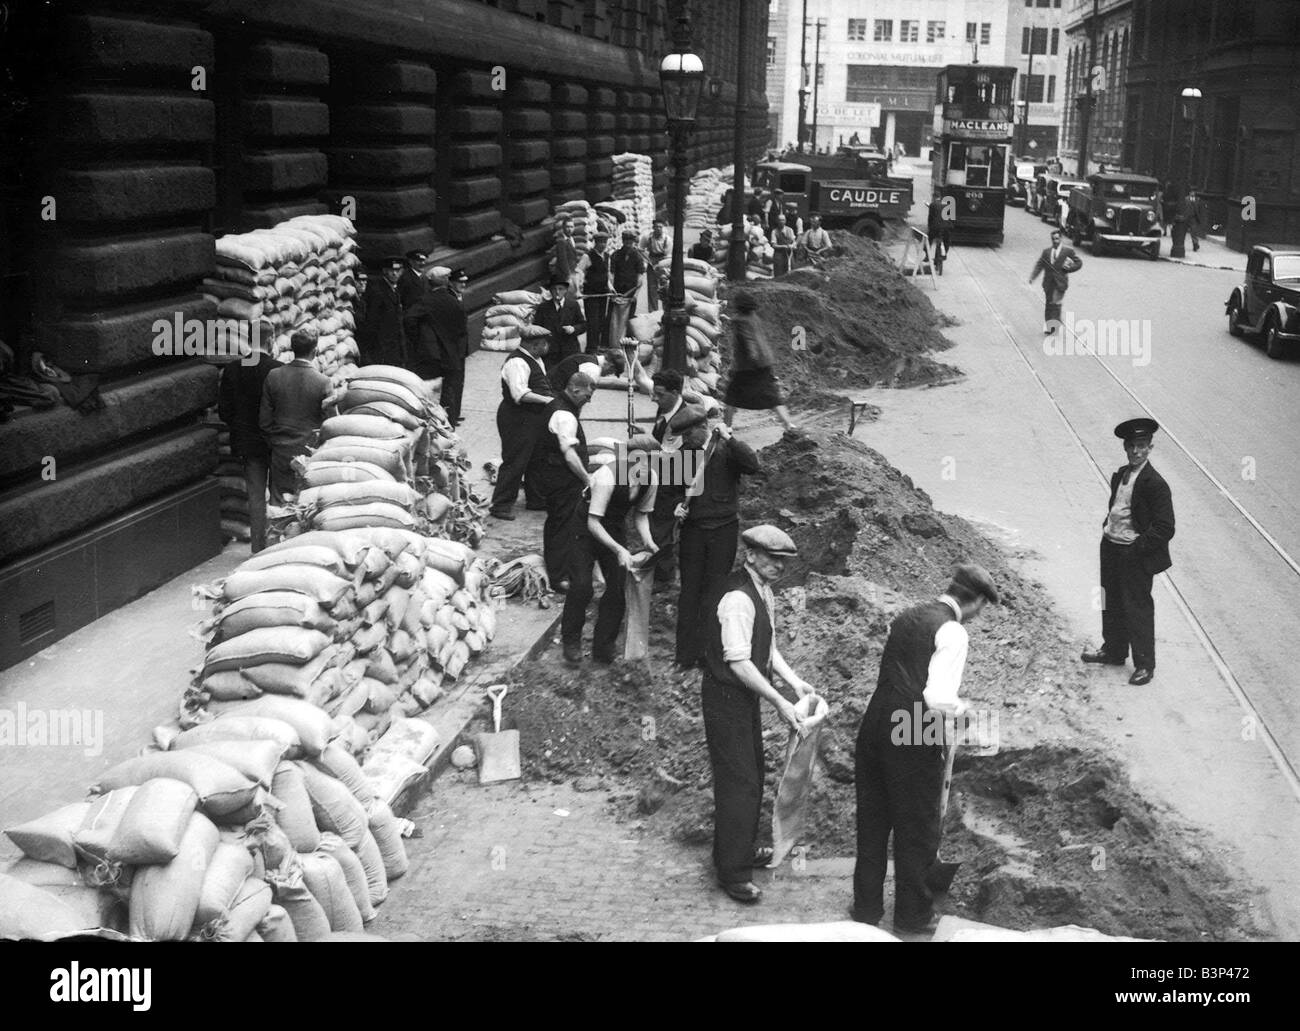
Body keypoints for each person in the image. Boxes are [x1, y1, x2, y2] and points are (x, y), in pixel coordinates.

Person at [852, 564, 999, 934]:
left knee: (873, 819)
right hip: (916, 726)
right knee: (916, 824)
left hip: (876, 720)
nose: (981, 613)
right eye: (983, 606)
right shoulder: (954, 631)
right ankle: (912, 916)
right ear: (977, 600)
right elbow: (936, 698)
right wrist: (964, 711)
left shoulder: (908, 615)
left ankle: (866, 909)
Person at [702, 524, 814, 904]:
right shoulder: (737, 598)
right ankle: (732, 872)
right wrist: (779, 702)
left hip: (743, 698)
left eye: (783, 562)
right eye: (772, 559)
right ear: (750, 555)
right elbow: (738, 661)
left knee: (753, 776)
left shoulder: (762, 592)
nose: (779, 568)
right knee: (739, 783)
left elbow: (766, 649)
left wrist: (794, 682)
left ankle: (738, 849)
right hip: (725, 697)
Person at [1081, 418, 1175, 686]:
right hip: (1110, 548)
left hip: (1133, 554)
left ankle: (1145, 665)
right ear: (1125, 447)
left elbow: (1166, 527)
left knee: (1137, 608)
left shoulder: (1155, 484)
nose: (1136, 452)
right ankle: (1113, 650)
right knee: (1109, 600)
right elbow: (1119, 507)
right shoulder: (1121, 474)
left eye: (1142, 446)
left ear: (1150, 448)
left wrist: (1137, 548)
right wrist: (1107, 528)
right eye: (1132, 446)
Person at [561, 437, 661, 665]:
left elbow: (641, 514)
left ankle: (604, 648)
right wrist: (618, 550)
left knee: (617, 588)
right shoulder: (609, 475)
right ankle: (571, 641)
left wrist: (649, 542)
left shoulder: (651, 478)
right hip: (586, 525)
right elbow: (593, 523)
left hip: (614, 526)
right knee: (582, 585)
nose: (647, 469)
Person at [674, 421, 761, 669]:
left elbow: (753, 465)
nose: (685, 439)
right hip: (694, 531)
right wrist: (677, 507)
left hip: (723, 530)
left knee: (715, 591)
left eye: (688, 433)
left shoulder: (726, 451)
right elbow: (674, 489)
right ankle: (684, 656)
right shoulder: (686, 453)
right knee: (689, 592)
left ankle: (709, 655)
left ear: (702, 429)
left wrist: (730, 439)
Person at [528, 371, 597, 590]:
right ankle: (559, 577)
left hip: (553, 475)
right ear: (575, 389)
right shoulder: (565, 415)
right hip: (562, 479)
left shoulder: (557, 405)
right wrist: (587, 479)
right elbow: (569, 454)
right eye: (586, 396)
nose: (588, 401)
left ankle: (563, 569)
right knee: (562, 525)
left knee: (561, 523)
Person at [217, 323, 277, 551]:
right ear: (270, 341)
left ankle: (258, 548)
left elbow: (225, 411)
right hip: (275, 442)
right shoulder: (277, 368)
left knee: (256, 496)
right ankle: (279, 547)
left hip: (248, 444)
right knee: (280, 496)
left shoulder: (232, 370)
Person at [258, 329, 333, 503]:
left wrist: (275, 442)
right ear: (314, 352)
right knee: (306, 502)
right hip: (309, 453)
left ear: (292, 349)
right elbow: (330, 424)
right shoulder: (323, 383)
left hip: (280, 452)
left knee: (279, 503)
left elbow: (264, 421)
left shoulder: (274, 376)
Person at [489, 326, 553, 521]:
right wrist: (548, 401)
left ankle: (536, 499)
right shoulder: (517, 362)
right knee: (515, 460)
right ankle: (501, 505)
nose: (547, 346)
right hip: (516, 417)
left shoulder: (535, 359)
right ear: (535, 345)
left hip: (532, 417)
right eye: (544, 343)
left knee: (536, 458)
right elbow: (520, 394)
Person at [722, 290, 798, 434]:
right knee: (773, 396)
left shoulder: (740, 321)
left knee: (731, 396)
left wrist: (752, 358)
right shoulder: (754, 317)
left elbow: (749, 341)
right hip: (765, 363)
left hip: (749, 366)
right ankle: (789, 425)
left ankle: (726, 428)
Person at [419, 267, 470, 425]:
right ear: (450, 283)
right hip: (452, 347)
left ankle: (455, 413)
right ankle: (450, 415)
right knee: (451, 383)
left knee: (457, 382)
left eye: (464, 282)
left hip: (458, 347)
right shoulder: (448, 298)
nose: (463, 285)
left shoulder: (455, 297)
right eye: (459, 282)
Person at [356, 256, 408, 367]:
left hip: (393, 348)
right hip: (382, 349)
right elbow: (372, 322)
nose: (394, 274)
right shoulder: (378, 291)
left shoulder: (394, 289)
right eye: (391, 270)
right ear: (384, 271)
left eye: (397, 270)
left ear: (402, 271)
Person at [1028, 229, 1082, 334]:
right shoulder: (1046, 252)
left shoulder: (1068, 251)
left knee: (1055, 303)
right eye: (1053, 239)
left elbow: (1079, 263)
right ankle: (1050, 326)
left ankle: (1054, 325)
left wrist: (1069, 269)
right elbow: (1039, 265)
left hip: (1060, 283)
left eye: (1057, 238)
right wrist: (1032, 277)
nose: (1055, 241)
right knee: (1049, 305)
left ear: (1061, 238)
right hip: (1048, 283)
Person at [532, 275, 587, 372]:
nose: (557, 292)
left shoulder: (573, 305)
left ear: (565, 290)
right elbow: (536, 329)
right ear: (550, 291)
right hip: (550, 352)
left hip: (569, 351)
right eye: (554, 289)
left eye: (560, 289)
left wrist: (573, 329)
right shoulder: (543, 308)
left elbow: (583, 325)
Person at [609, 229, 644, 345]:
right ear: (623, 241)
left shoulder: (638, 257)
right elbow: (612, 274)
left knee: (629, 318)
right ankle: (612, 342)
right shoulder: (616, 255)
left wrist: (636, 295)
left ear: (634, 242)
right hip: (617, 290)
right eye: (626, 241)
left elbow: (640, 278)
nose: (628, 244)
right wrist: (611, 290)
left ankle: (627, 342)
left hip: (631, 291)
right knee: (613, 318)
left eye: (631, 241)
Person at [584, 232, 612, 356]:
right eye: (601, 242)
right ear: (596, 242)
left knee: (601, 320)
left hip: (603, 293)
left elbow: (607, 275)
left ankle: (598, 345)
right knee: (593, 321)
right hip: (591, 294)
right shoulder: (588, 256)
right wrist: (580, 285)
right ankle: (591, 348)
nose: (603, 245)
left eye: (605, 242)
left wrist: (610, 288)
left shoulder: (607, 256)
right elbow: (579, 271)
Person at [642, 220, 671, 310]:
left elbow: (668, 256)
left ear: (663, 228)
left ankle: (666, 309)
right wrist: (647, 260)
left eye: (660, 227)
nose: (658, 229)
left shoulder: (667, 239)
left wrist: (661, 267)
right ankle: (653, 311)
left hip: (663, 262)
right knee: (652, 288)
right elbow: (640, 249)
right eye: (656, 227)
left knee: (665, 287)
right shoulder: (648, 237)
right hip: (651, 261)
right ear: (653, 228)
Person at [553, 221, 581, 294]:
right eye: (567, 227)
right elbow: (563, 260)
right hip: (564, 275)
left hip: (571, 272)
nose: (569, 229)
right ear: (563, 228)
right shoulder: (561, 241)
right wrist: (568, 276)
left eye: (571, 227)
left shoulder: (571, 239)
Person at [927, 201, 952, 275]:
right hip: (945, 227)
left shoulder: (932, 204)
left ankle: (926, 255)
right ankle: (945, 253)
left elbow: (930, 217)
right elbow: (950, 217)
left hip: (935, 227)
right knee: (947, 240)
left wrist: (929, 227)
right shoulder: (947, 204)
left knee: (929, 239)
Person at [1183, 189, 1205, 253]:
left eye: (1193, 192)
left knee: (1194, 232)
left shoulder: (1198, 200)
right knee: (1183, 231)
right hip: (1186, 217)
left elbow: (1200, 209)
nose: (1192, 193)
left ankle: (1195, 244)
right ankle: (1182, 243)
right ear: (1189, 193)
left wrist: (1200, 218)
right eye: (1191, 192)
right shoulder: (1186, 199)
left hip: (1193, 218)